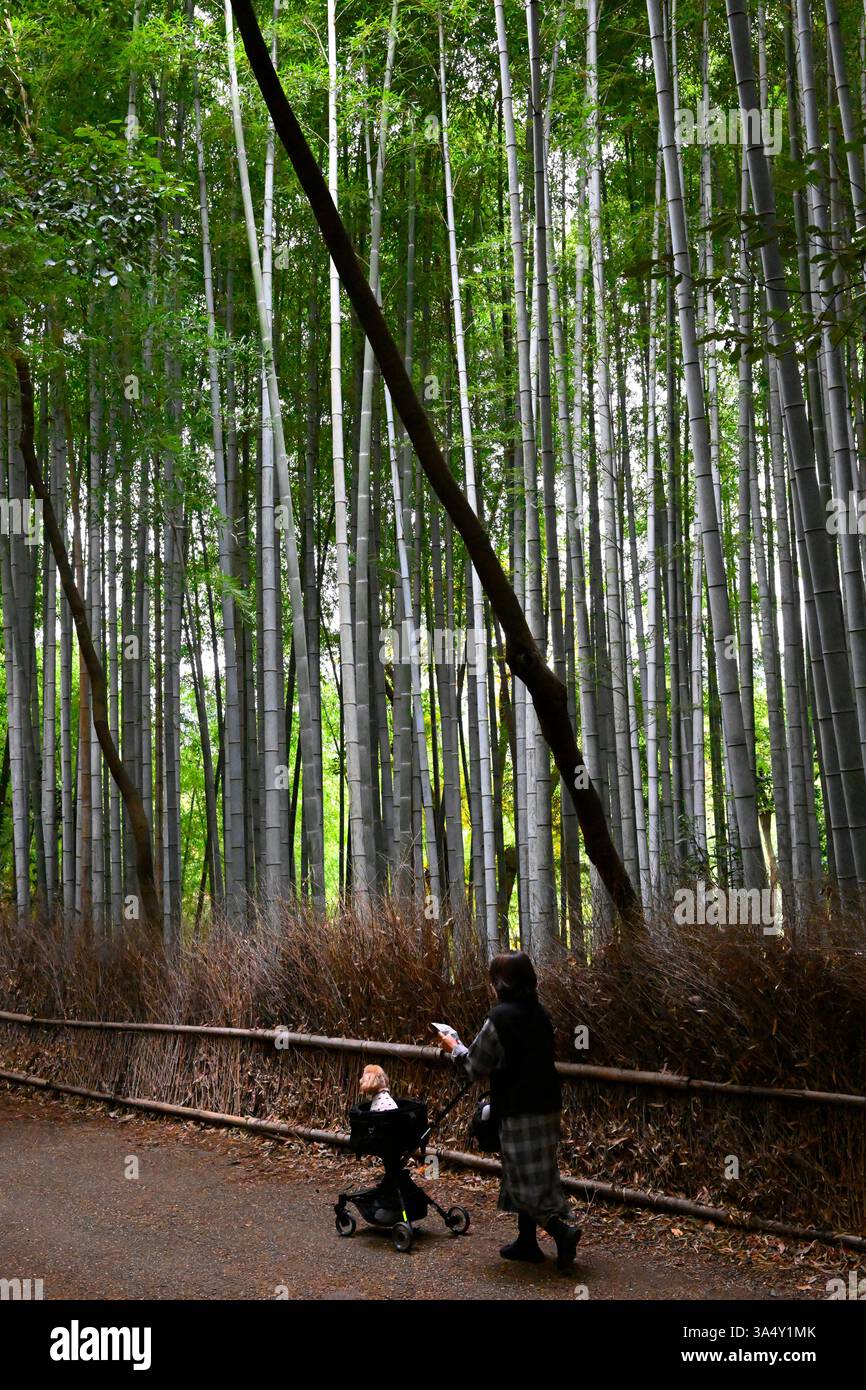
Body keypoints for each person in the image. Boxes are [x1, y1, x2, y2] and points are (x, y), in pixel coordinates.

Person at [436, 950, 581, 1270]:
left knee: (520, 1179)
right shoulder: (540, 1014)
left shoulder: (499, 1018)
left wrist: (452, 1047)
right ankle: (527, 1242)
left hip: (519, 1109)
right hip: (548, 1105)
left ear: (500, 985)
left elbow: (474, 1065)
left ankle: (563, 1232)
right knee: (537, 1173)